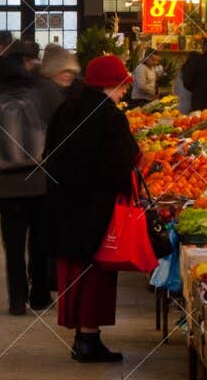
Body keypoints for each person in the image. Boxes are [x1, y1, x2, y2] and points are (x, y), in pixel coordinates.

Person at [44, 54, 142, 362]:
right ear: (109, 83)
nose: (125, 90)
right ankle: (88, 338)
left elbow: (50, 153)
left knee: (75, 269)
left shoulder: (66, 108)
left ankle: (82, 336)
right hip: (96, 208)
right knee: (96, 272)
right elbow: (123, 162)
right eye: (121, 84)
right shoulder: (110, 116)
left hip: (64, 204)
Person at [0, 46, 58, 315]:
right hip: (39, 180)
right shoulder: (42, 92)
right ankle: (39, 295)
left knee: (12, 246)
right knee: (40, 241)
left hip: (6, 184)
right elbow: (58, 132)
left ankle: (16, 300)